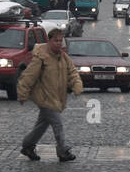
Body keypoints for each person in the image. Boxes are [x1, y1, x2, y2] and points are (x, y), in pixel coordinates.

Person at [17, 28, 84, 162]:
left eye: (60, 41)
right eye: (56, 41)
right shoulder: (41, 57)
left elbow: (72, 72)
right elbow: (28, 76)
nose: (58, 43)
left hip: (57, 97)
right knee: (57, 123)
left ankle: (27, 146)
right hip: (45, 98)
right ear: (49, 41)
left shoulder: (63, 57)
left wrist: (76, 85)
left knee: (41, 125)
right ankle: (62, 150)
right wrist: (22, 93)